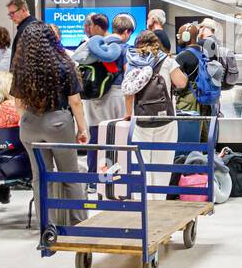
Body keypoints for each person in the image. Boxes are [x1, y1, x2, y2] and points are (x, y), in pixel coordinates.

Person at [10, 21, 89, 230]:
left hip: (30, 124)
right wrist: (82, 129)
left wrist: (26, 120)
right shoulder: (64, 64)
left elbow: (17, 103)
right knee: (69, 175)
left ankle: (47, 226)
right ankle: (79, 223)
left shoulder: (21, 68)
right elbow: (75, 102)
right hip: (58, 123)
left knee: (40, 178)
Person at [122, 31, 189, 200]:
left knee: (140, 162)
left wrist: (129, 114)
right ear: (156, 43)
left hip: (140, 120)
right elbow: (181, 83)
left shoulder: (132, 61)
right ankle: (157, 203)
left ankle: (141, 203)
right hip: (165, 120)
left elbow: (129, 92)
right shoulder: (166, 61)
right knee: (162, 164)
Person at [76, 13, 130, 130]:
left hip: (92, 96)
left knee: (95, 136)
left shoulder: (88, 47)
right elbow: (128, 74)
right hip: (116, 96)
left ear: (96, 27)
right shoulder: (123, 48)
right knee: (117, 136)